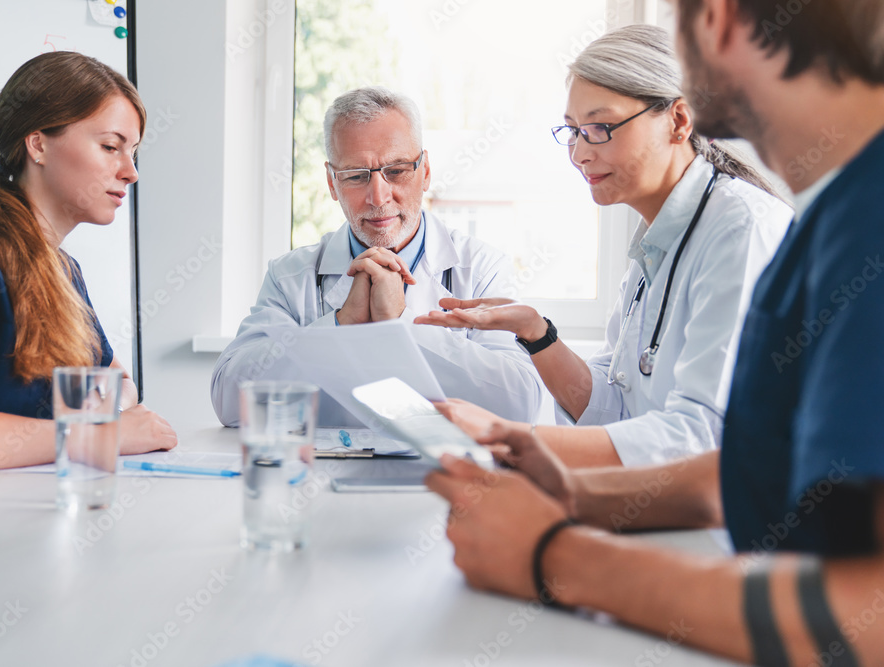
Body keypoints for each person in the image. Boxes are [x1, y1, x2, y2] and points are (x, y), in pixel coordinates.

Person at [426, 0, 884, 664]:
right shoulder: (834, 214)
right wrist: (569, 491)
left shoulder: (849, 225)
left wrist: (557, 555)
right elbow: (745, 470)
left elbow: (867, 614)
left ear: (717, 19)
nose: (582, 149)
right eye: (573, 131)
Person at [415, 25, 792, 468]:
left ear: (678, 120)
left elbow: (702, 437)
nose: (578, 154)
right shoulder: (654, 246)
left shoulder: (741, 231)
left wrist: (516, 437)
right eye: (572, 130)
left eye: (600, 128)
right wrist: (536, 333)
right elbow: (612, 411)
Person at [0, 52, 177, 479]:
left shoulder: (63, 270)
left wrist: (103, 414)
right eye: (111, 146)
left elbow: (119, 385)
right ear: (38, 144)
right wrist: (95, 433)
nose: (130, 172)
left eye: (132, 152)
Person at [211, 87, 543, 427]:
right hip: (320, 475)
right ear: (331, 182)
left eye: (397, 171)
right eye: (356, 176)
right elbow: (230, 402)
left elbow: (518, 406)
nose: (378, 196)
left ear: (425, 171)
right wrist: (341, 325)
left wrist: (401, 322)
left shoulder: (481, 269)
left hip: (440, 476)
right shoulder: (291, 276)